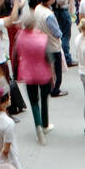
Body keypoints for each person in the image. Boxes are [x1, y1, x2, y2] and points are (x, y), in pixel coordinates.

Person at [16, 12, 55, 144]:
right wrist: (53, 74)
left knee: (33, 102)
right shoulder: (42, 38)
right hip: (43, 73)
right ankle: (45, 124)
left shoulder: (19, 37)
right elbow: (49, 59)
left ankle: (37, 125)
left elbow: (15, 54)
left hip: (28, 72)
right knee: (44, 99)